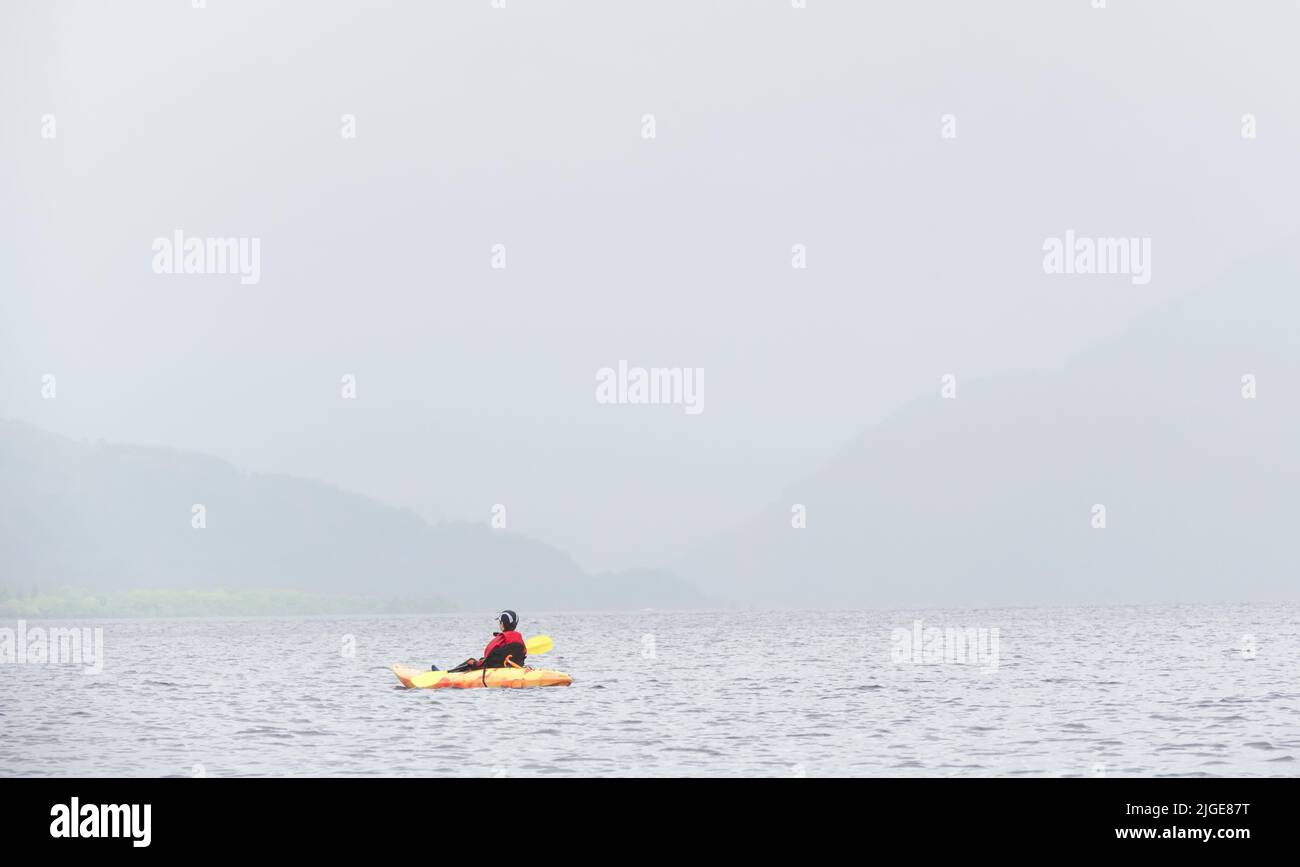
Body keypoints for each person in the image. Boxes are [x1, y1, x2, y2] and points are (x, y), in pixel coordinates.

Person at [436, 610, 527, 673]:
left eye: (500, 622)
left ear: (502, 624)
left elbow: (487, 653)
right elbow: (524, 653)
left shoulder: (500, 639)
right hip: (515, 666)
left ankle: (449, 673)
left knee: (471, 661)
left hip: (493, 667)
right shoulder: (519, 639)